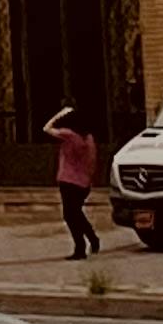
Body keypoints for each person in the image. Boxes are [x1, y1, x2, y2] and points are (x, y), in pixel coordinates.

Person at [45, 104, 102, 258]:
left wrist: (59, 114)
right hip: (83, 182)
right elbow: (92, 161)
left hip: (68, 180)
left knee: (70, 215)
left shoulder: (69, 135)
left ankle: (80, 247)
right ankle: (92, 239)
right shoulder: (89, 138)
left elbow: (47, 128)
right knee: (76, 213)